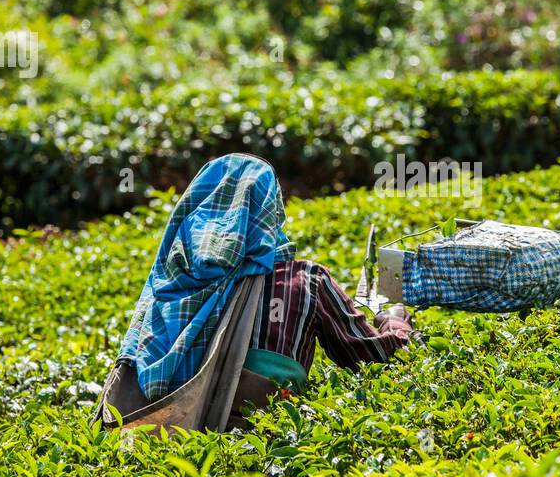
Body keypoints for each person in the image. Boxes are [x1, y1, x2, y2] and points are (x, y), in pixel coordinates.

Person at [116, 153, 414, 428]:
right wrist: (394, 320)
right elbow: (371, 357)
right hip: (267, 432)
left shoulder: (171, 287)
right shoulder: (306, 279)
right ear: (271, 211)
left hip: (166, 437)